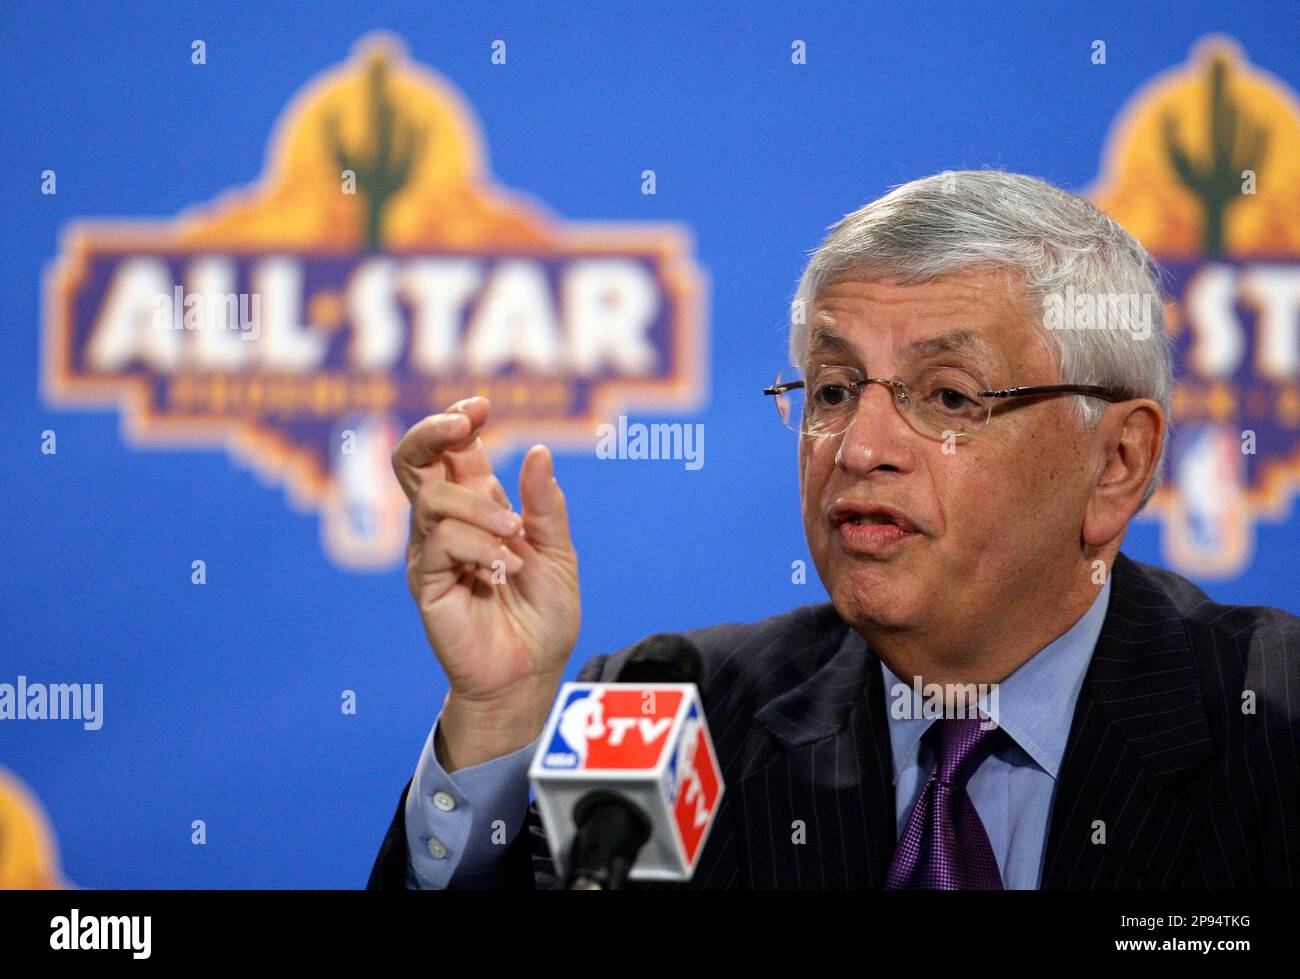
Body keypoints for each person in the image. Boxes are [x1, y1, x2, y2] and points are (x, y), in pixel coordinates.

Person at [369, 170, 1299, 890]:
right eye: (834, 391)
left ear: (1118, 464)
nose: (860, 447)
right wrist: (497, 718)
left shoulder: (1275, 728)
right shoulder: (664, 709)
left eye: (947, 396)